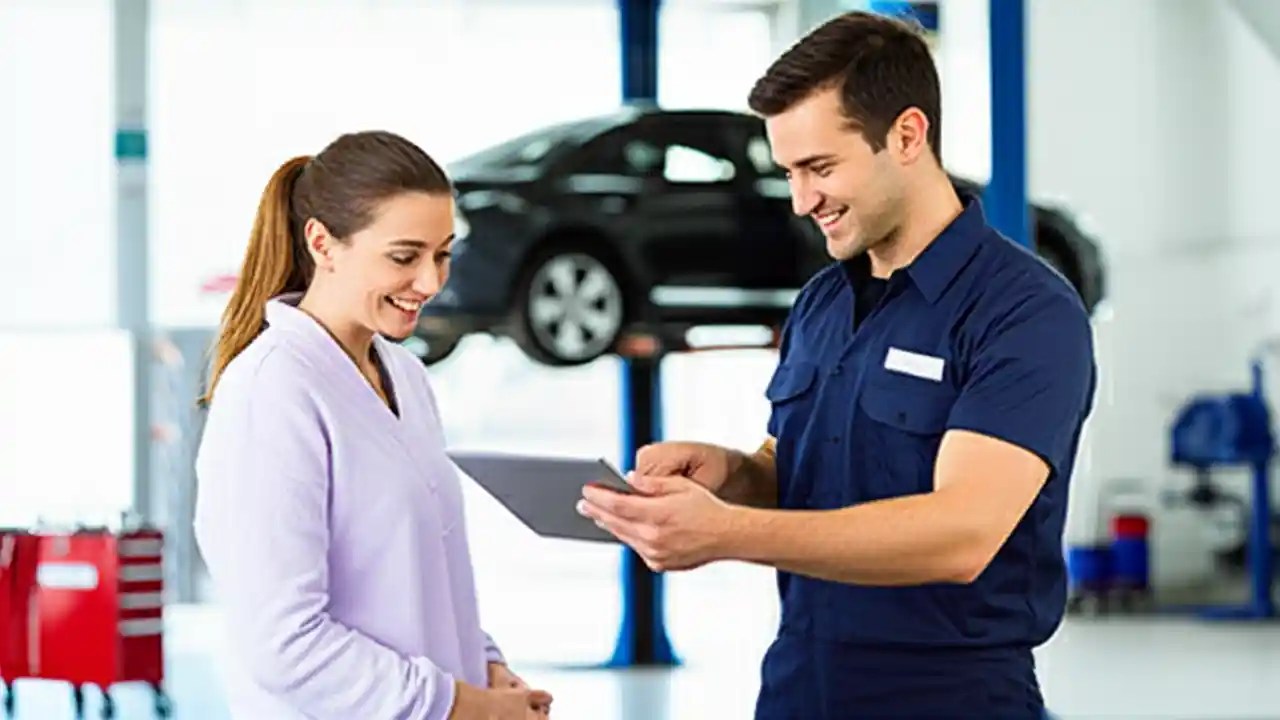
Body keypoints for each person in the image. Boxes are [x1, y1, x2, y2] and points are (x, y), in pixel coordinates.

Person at [578, 11, 1095, 720]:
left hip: (951, 698)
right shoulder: (824, 301)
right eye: (789, 172)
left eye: (821, 168)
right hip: (798, 686)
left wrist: (728, 535)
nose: (801, 200)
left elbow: (963, 532)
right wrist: (734, 474)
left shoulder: (1023, 311)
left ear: (908, 135)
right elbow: (798, 465)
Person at [193, 130, 553, 720]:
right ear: (323, 244)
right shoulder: (274, 390)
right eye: (404, 256)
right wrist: (470, 707)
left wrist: (484, 665)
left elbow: (420, 575)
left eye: (443, 254)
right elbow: (284, 645)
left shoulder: (405, 376)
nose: (432, 282)